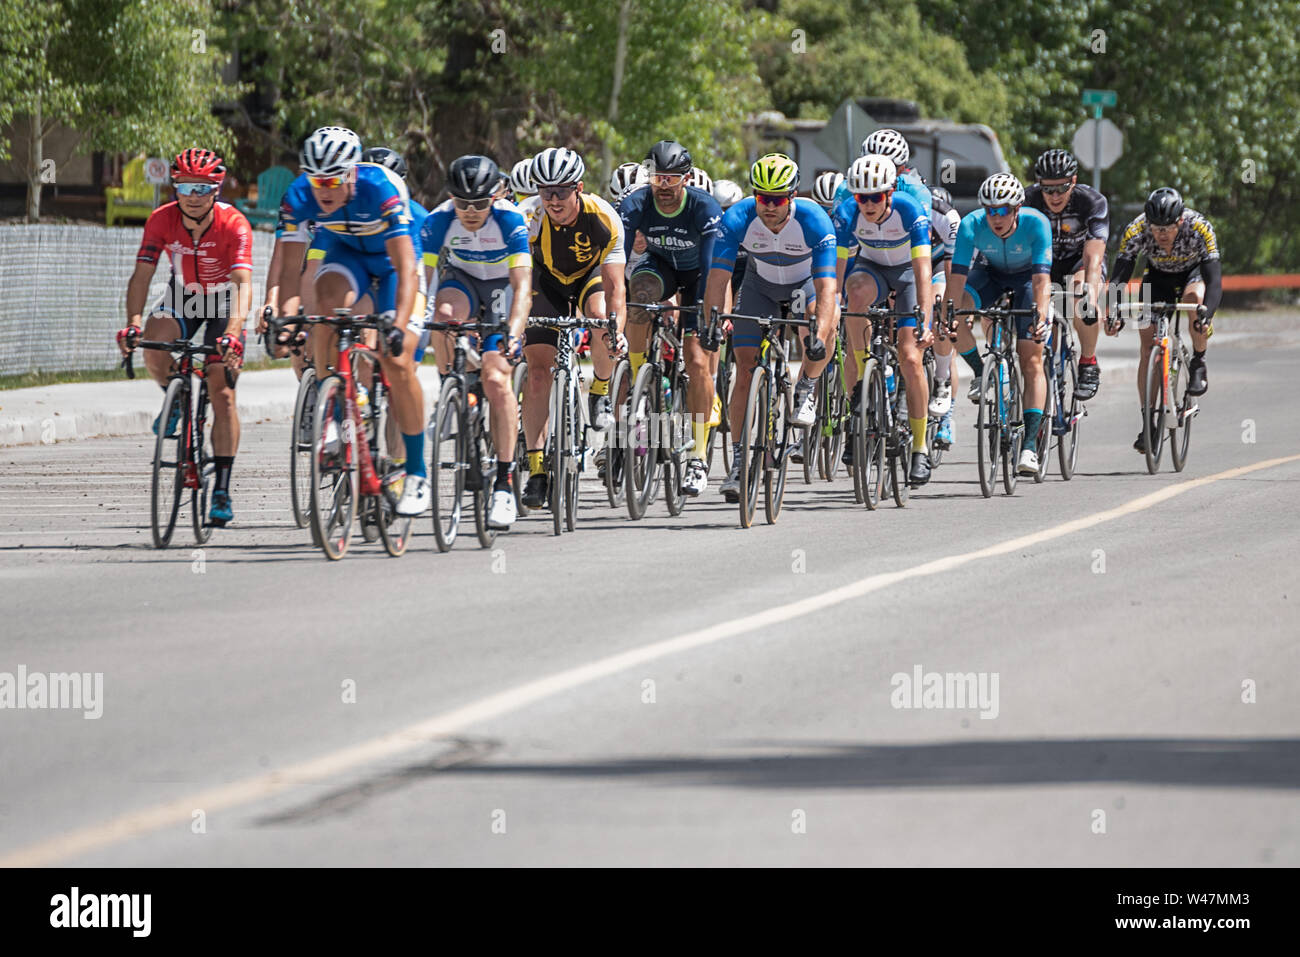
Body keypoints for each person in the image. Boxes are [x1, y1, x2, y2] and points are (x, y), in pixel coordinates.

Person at [264, 126, 430, 516]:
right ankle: (334, 410)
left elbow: (407, 268)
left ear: (352, 173)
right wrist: (288, 322)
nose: (323, 189)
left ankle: (417, 472)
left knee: (399, 359)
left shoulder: (380, 190)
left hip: (392, 264)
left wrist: (397, 325)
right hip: (347, 255)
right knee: (324, 306)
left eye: (333, 180)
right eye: (316, 178)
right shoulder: (297, 197)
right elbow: (290, 272)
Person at [118, 148, 252, 527]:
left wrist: (232, 334)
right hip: (183, 297)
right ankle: (175, 399)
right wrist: (132, 322)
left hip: (225, 302)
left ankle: (222, 488)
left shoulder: (234, 224)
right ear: (174, 187)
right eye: (185, 187)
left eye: (203, 187)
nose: (193, 196)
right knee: (155, 345)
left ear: (217, 189)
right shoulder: (161, 220)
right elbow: (142, 275)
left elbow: (243, 285)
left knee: (222, 393)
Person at [702, 153, 838, 501]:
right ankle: (736, 464)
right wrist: (712, 324)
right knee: (745, 370)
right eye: (763, 198)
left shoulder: (815, 220)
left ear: (792, 196)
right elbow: (717, 281)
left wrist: (819, 337)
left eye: (777, 199)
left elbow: (826, 289)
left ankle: (807, 385)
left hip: (803, 287)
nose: (769, 206)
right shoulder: (737, 218)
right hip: (758, 285)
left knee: (818, 331)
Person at [420, 154, 532, 528]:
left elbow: (523, 288)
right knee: (444, 318)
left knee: (496, 378)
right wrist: (418, 325)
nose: (470, 211)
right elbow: (425, 281)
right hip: (462, 281)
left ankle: (503, 483)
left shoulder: (510, 220)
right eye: (461, 202)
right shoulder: (439, 220)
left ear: (495, 198)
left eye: (480, 203)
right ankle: (450, 388)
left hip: (501, 287)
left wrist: (514, 335)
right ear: (451, 197)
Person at [519, 147, 627, 509]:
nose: (552, 199)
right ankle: (536, 470)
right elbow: (515, 277)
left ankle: (599, 388)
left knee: (601, 320)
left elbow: (616, 289)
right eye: (545, 190)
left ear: (578, 188)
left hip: (588, 280)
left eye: (561, 191)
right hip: (544, 281)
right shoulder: (528, 216)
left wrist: (617, 331)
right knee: (537, 375)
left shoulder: (604, 218)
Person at [618, 140, 725, 496]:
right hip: (659, 267)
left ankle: (697, 457)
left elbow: (712, 268)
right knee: (639, 293)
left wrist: (709, 315)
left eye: (671, 178)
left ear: (686, 178)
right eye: (657, 177)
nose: (663, 186)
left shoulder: (702, 206)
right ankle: (637, 376)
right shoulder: (636, 203)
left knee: (696, 359)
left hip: (696, 277)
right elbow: (616, 256)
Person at [831, 154, 934, 484]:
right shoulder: (847, 212)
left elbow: (923, 270)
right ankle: (861, 392)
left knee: (910, 357)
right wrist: (832, 307)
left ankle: (920, 448)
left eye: (875, 197)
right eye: (861, 197)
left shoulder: (909, 209)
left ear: (889, 193)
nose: (868, 204)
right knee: (854, 294)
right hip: (871, 269)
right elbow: (838, 269)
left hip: (906, 274)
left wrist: (925, 319)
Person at [944, 172, 1053, 476]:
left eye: (1003, 209)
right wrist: (949, 315)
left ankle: (1029, 446)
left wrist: (1040, 318)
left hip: (1027, 281)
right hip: (989, 275)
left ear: (1017, 208)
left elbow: (1042, 280)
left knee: (1031, 358)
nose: (996, 217)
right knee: (955, 311)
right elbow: (958, 279)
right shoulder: (971, 225)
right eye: (990, 210)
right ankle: (982, 372)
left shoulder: (1037, 224)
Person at [1108, 186, 1220, 451]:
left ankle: (1199, 361)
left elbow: (1215, 280)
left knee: (1195, 303)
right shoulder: (1137, 230)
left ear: (1180, 221)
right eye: (1156, 228)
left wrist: (1208, 314)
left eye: (1167, 228)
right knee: (1147, 345)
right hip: (1157, 278)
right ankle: (1148, 423)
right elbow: (1119, 276)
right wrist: (1113, 310)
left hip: (1193, 274)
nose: (1161, 234)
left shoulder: (1199, 227)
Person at [1024, 148, 1110, 400]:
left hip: (1079, 261)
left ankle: (1088, 362)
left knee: (1081, 298)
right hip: (1044, 263)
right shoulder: (1028, 199)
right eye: (1047, 189)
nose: (1054, 196)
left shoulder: (1091, 201)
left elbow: (1093, 257)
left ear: (1073, 181)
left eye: (1061, 188)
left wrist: (1092, 296)